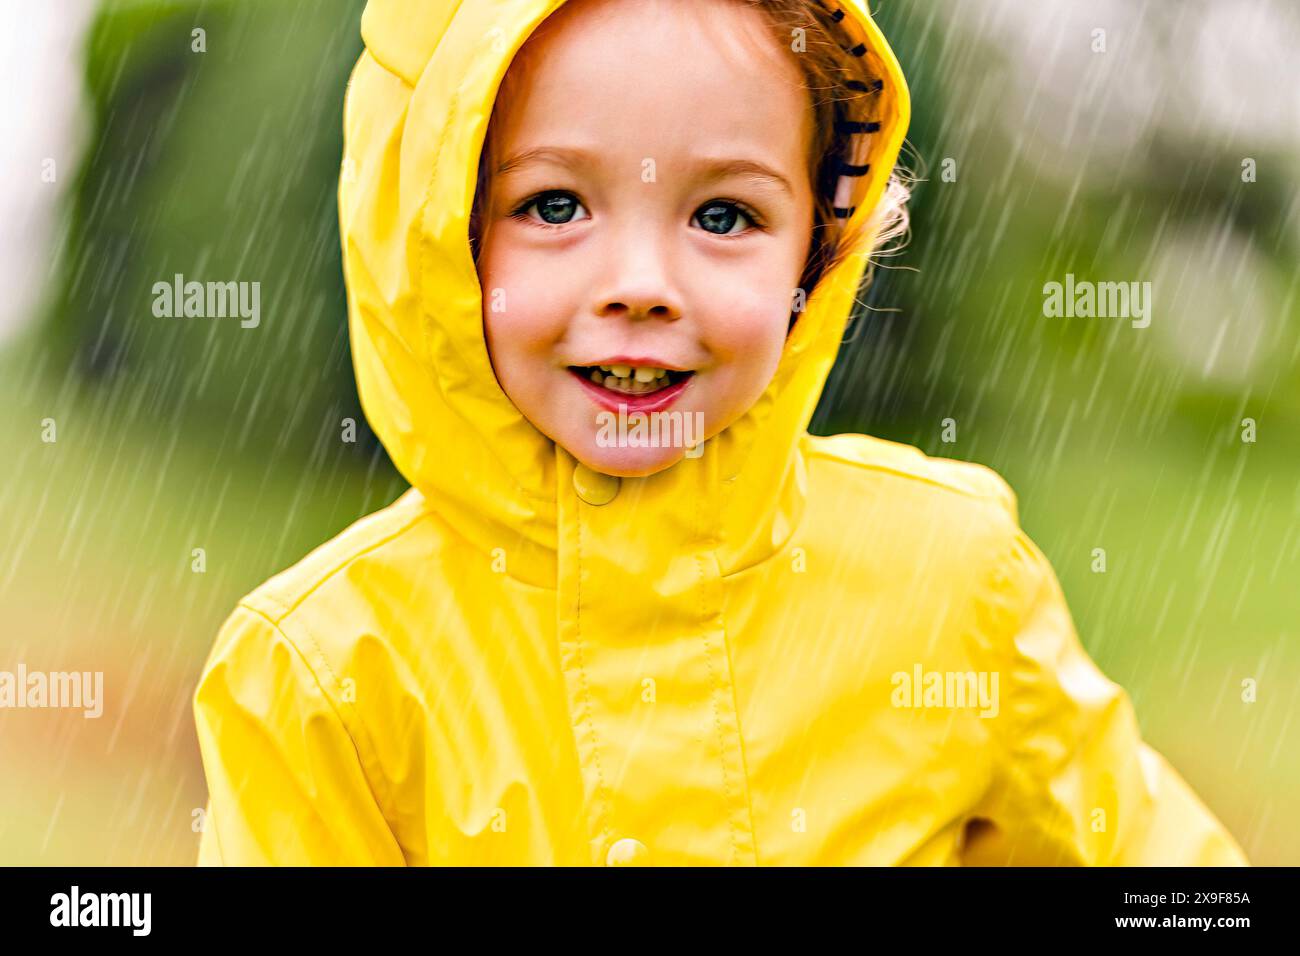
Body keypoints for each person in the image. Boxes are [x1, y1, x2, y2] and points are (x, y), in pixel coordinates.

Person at [192, 0, 1248, 866]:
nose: (642, 287)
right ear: (436, 236)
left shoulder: (955, 582)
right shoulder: (327, 672)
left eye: (724, 216)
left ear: (817, 254)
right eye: (554, 205)